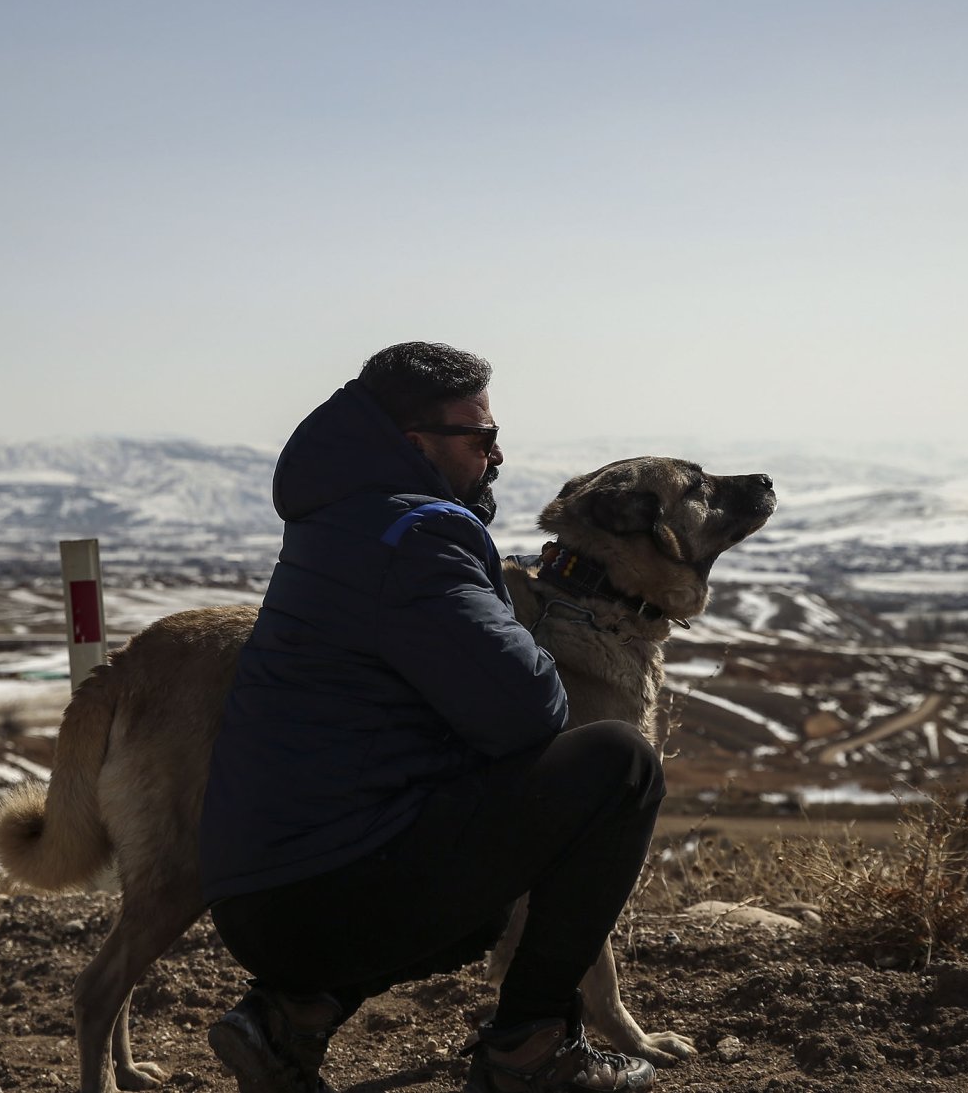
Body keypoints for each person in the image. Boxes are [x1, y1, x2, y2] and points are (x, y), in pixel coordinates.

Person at [198, 342, 663, 1093]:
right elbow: (531, 707)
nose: (498, 453)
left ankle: (291, 1014)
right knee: (619, 766)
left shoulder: (343, 514)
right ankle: (531, 1045)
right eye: (480, 438)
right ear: (416, 443)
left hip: (265, 898)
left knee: (477, 887)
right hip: (322, 892)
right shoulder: (415, 537)